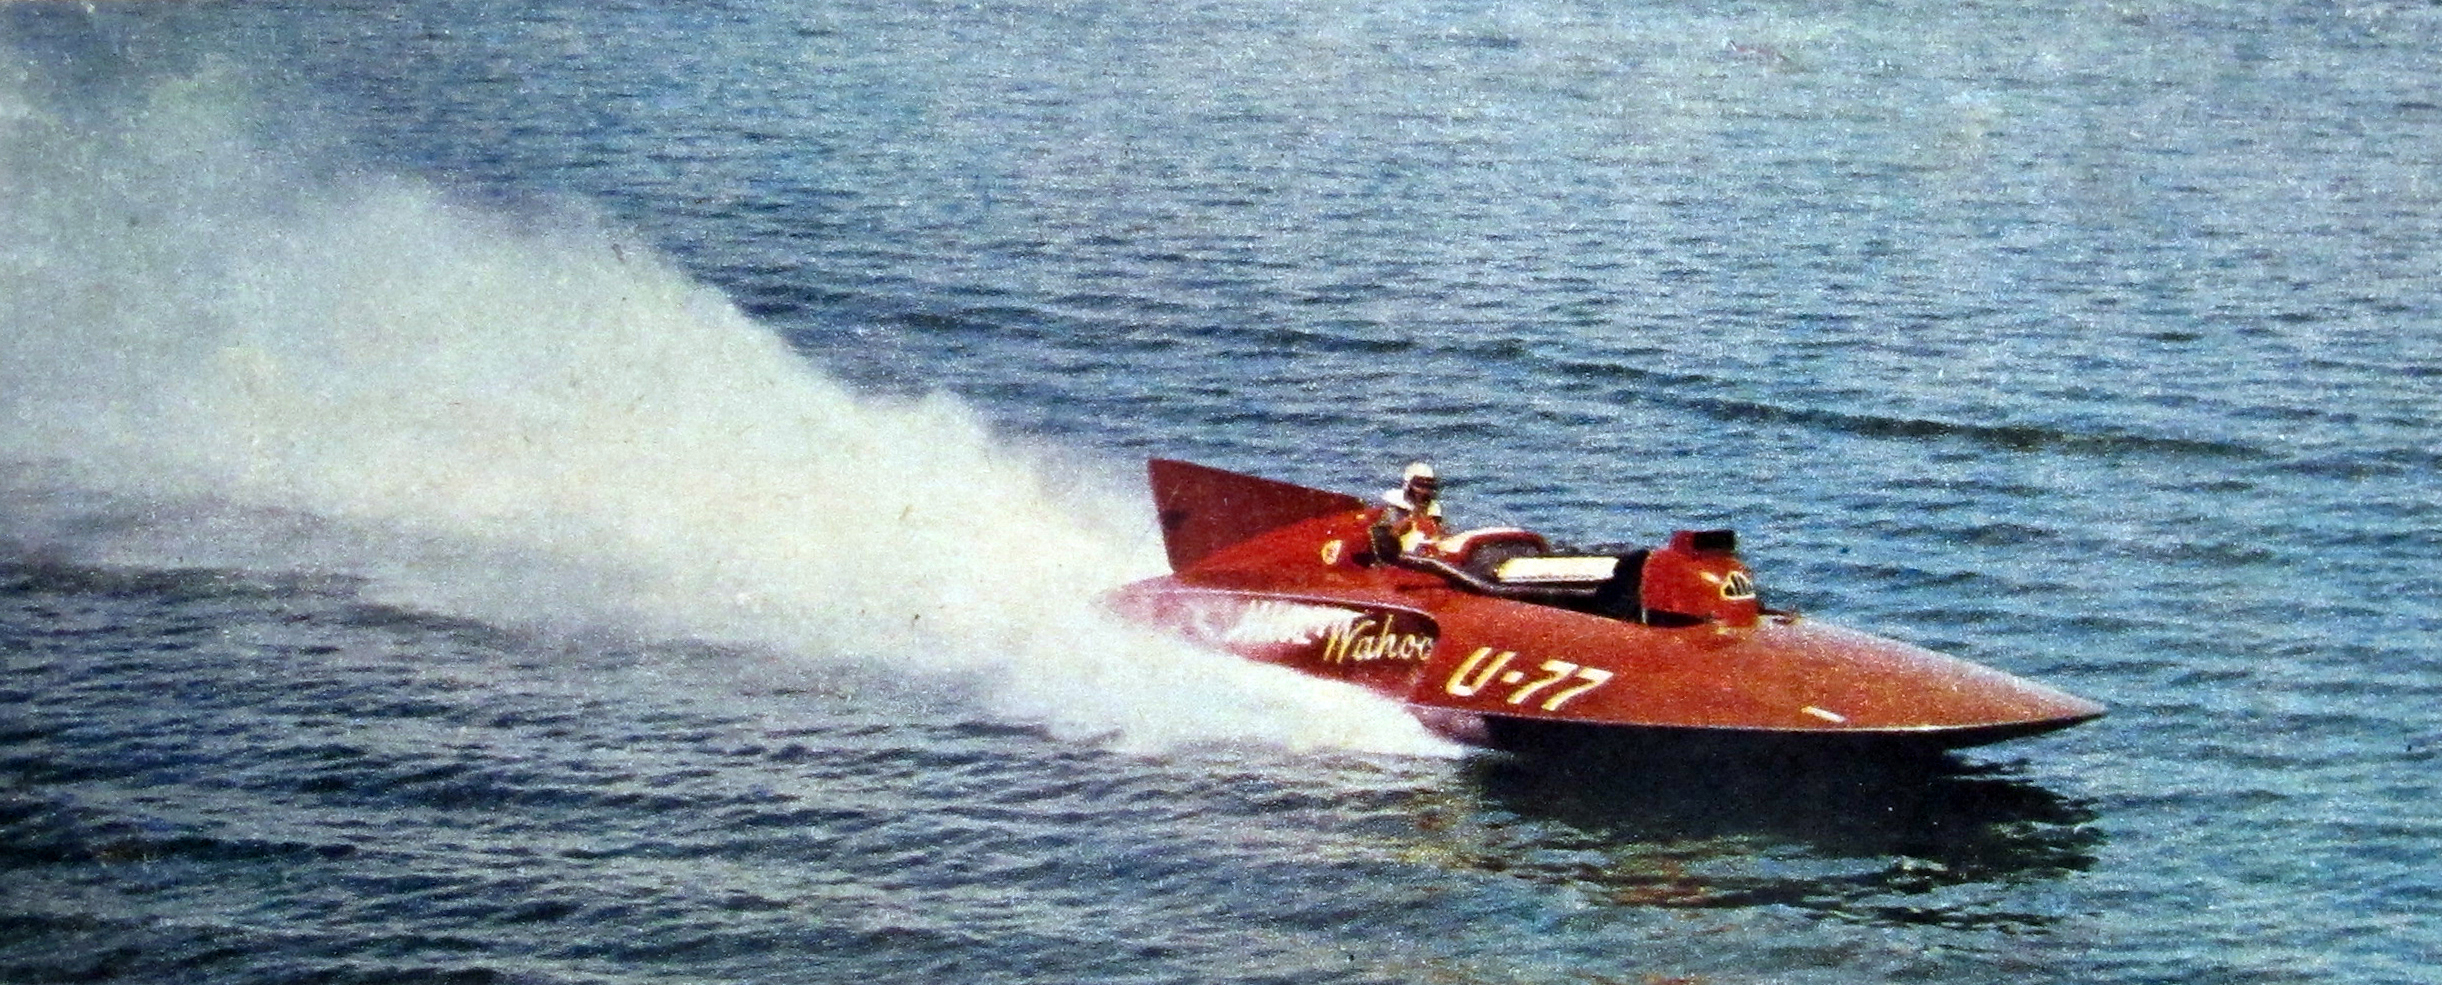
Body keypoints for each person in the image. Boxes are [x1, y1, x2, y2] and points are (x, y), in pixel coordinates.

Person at [1369, 462, 1447, 559]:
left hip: (1425, 552)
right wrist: (1413, 516)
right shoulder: (1394, 504)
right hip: (1401, 554)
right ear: (1408, 485)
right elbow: (1387, 537)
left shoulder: (1433, 507)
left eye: (1429, 487)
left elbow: (1439, 533)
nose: (1425, 491)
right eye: (1420, 486)